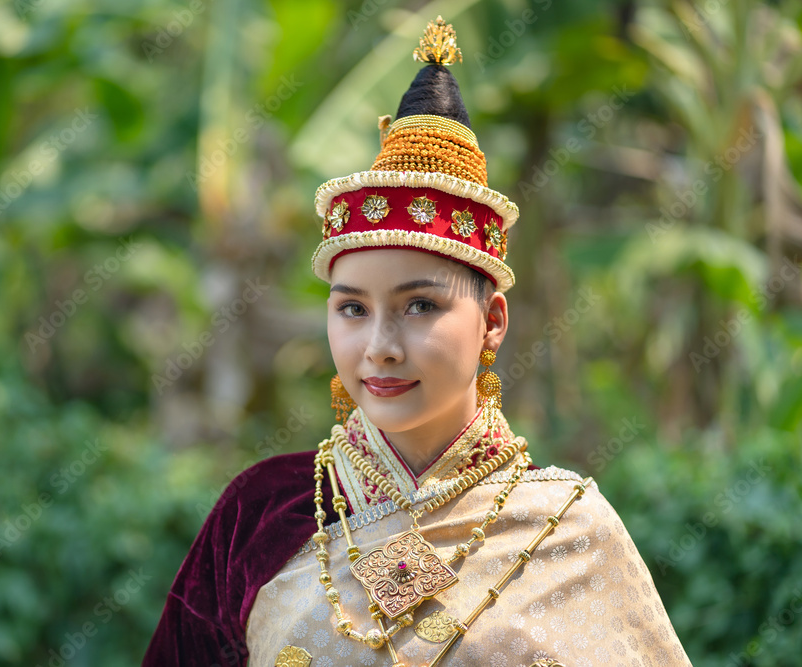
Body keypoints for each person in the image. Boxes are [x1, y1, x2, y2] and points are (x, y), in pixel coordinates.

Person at [145, 17, 692, 667]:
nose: (378, 346)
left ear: (492, 320)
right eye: (352, 307)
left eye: (420, 305)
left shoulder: (571, 532)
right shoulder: (260, 514)